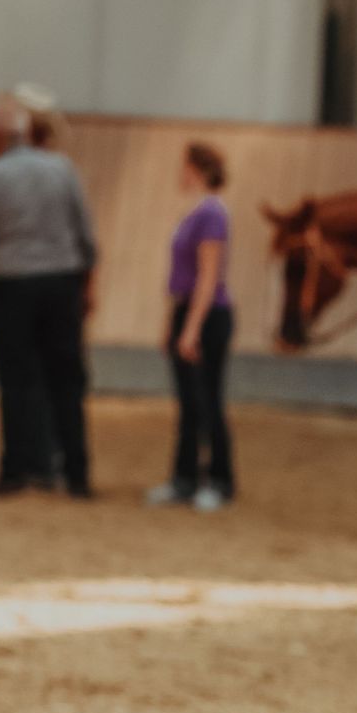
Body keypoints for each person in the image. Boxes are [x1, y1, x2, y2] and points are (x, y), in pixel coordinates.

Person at [0, 92, 97, 496]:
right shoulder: (62, 170)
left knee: (15, 381)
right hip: (62, 284)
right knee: (65, 380)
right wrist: (87, 285)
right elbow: (86, 235)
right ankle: (76, 472)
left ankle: (15, 471)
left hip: (11, 289)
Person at [148, 142, 235, 510]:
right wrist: (174, 321)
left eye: (184, 167)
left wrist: (192, 329)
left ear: (196, 169)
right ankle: (184, 477)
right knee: (188, 401)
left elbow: (207, 277)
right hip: (189, 311)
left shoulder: (212, 214)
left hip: (207, 315)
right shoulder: (196, 212)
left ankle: (219, 479)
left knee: (208, 399)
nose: (179, 174)